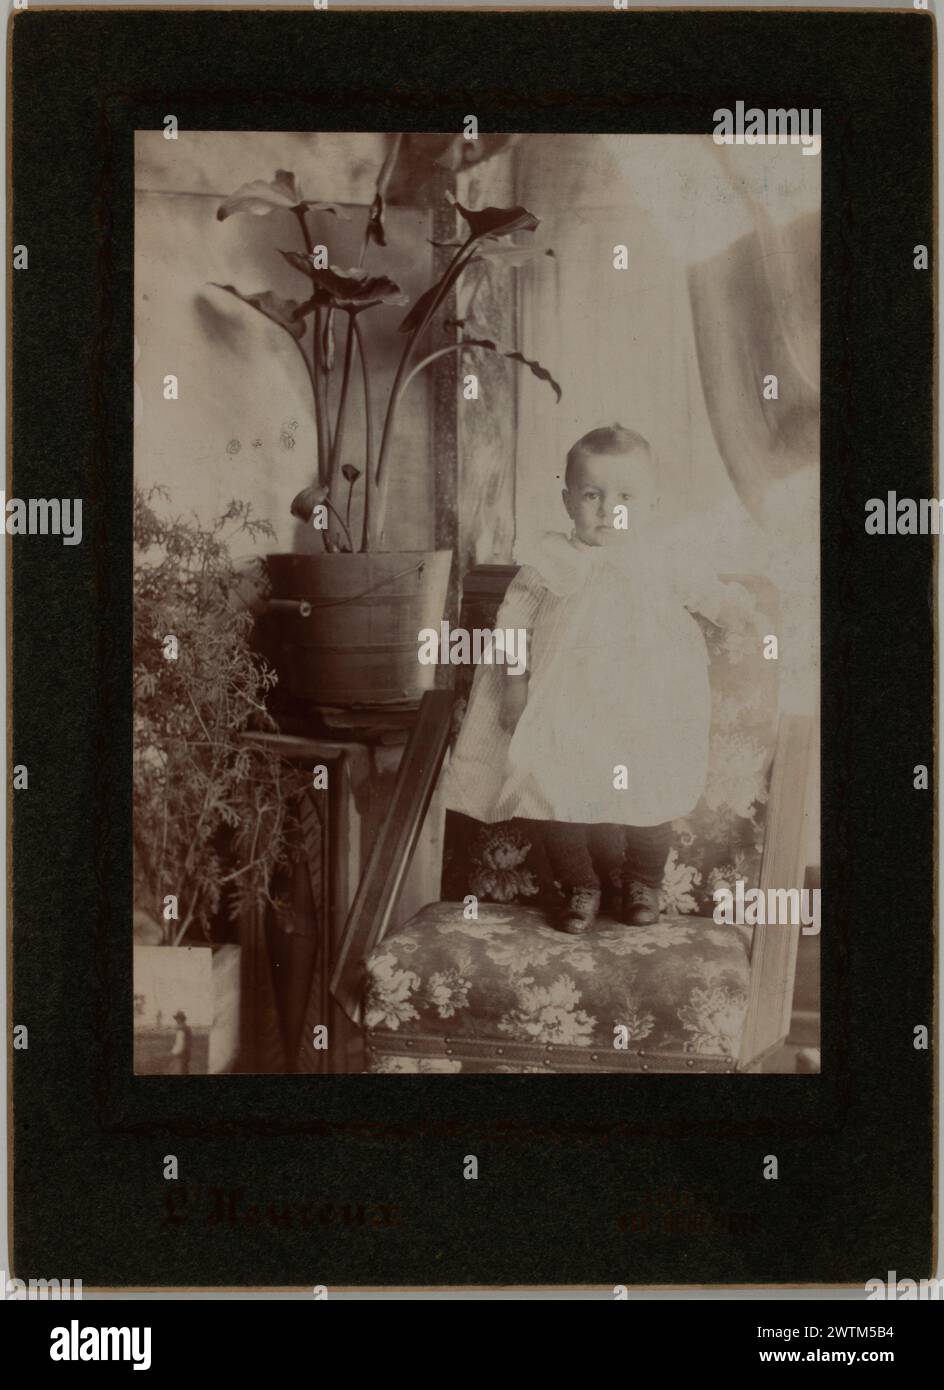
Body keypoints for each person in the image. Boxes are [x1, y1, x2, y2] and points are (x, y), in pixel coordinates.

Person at [444, 424, 755, 935]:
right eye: (593, 495)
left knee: (651, 794)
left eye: (627, 497)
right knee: (552, 791)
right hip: (568, 709)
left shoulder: (663, 557)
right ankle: (580, 885)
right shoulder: (550, 560)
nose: (610, 510)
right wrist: (516, 683)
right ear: (568, 501)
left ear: (652, 505)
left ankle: (642, 883)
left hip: (645, 707)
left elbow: (707, 592)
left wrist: (741, 616)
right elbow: (514, 622)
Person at [167, 1010, 193, 1075]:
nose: (176, 1020)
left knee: (178, 1071)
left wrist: (172, 1053)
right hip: (187, 1054)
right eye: (176, 1018)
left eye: (177, 1018)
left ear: (181, 1019)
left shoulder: (181, 1029)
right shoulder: (187, 1028)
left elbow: (180, 1044)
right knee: (185, 1071)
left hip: (181, 1056)